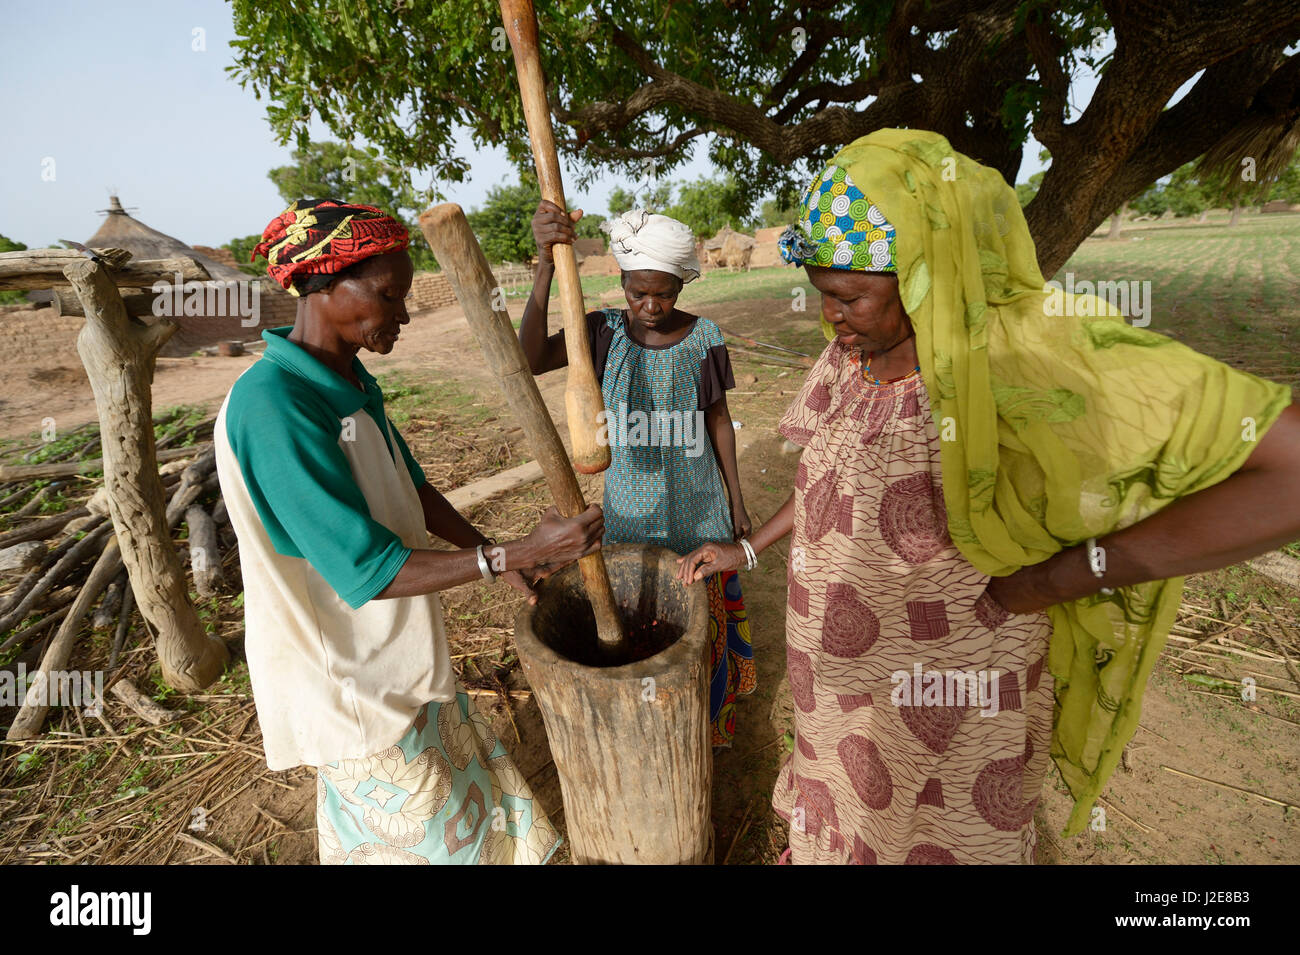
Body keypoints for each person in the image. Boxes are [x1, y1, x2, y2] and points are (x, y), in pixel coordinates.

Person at [677, 129, 1300, 864]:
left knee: (938, 836)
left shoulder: (1013, 357)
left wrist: (1055, 579)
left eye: (848, 296)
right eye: (822, 296)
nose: (830, 317)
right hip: (839, 687)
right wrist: (749, 545)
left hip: (954, 690)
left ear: (920, 276)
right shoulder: (852, 354)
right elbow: (824, 477)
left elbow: (1288, 465)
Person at [214, 198, 605, 865]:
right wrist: (521, 550)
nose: (403, 313)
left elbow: (412, 489)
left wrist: (490, 552)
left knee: (461, 818)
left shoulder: (347, 379)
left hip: (395, 662)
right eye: (389, 296)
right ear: (323, 286)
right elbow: (369, 570)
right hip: (351, 689)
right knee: (417, 837)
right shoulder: (273, 406)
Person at [520, 203, 756, 746]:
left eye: (665, 292)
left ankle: (706, 719)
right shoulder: (599, 333)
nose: (650, 306)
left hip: (699, 505)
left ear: (682, 284)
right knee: (642, 610)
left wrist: (736, 501)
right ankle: (651, 724)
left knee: (701, 616)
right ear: (621, 281)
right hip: (630, 508)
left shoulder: (705, 338)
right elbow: (530, 357)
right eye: (637, 292)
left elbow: (718, 420)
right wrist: (544, 265)